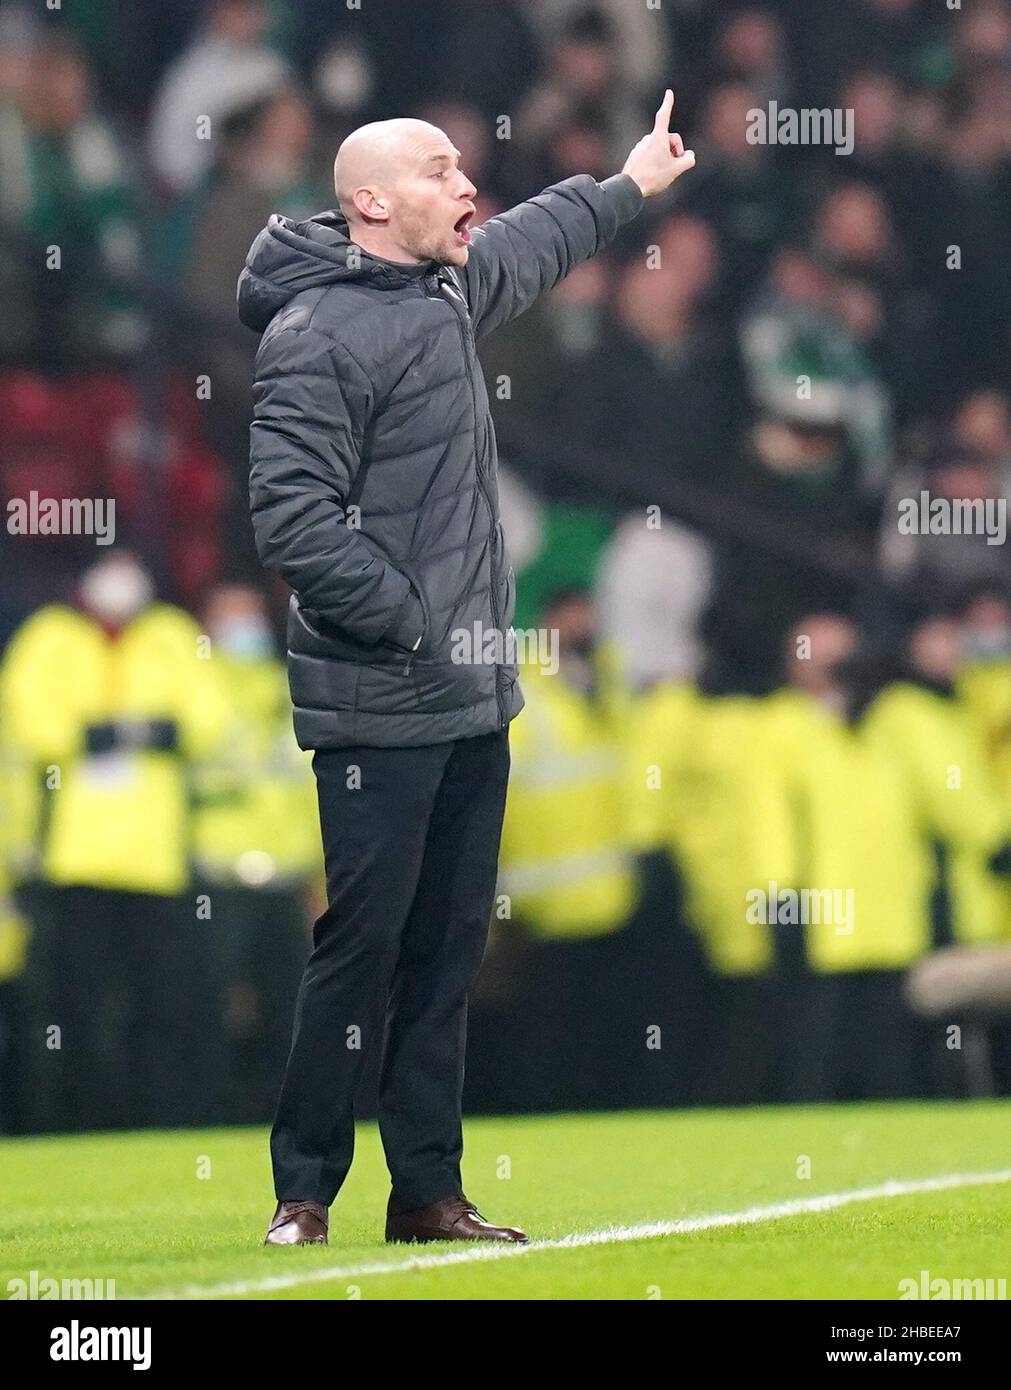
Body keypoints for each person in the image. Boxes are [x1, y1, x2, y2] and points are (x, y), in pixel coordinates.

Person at [239, 94, 696, 1246]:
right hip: (377, 696)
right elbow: (294, 523)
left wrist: (631, 182)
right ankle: (305, 1188)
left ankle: (427, 1192)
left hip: (469, 698)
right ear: (371, 202)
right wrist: (418, 622)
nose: (468, 188)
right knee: (361, 948)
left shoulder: (444, 289)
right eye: (443, 172)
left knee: (446, 958)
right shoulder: (313, 333)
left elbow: (538, 237)